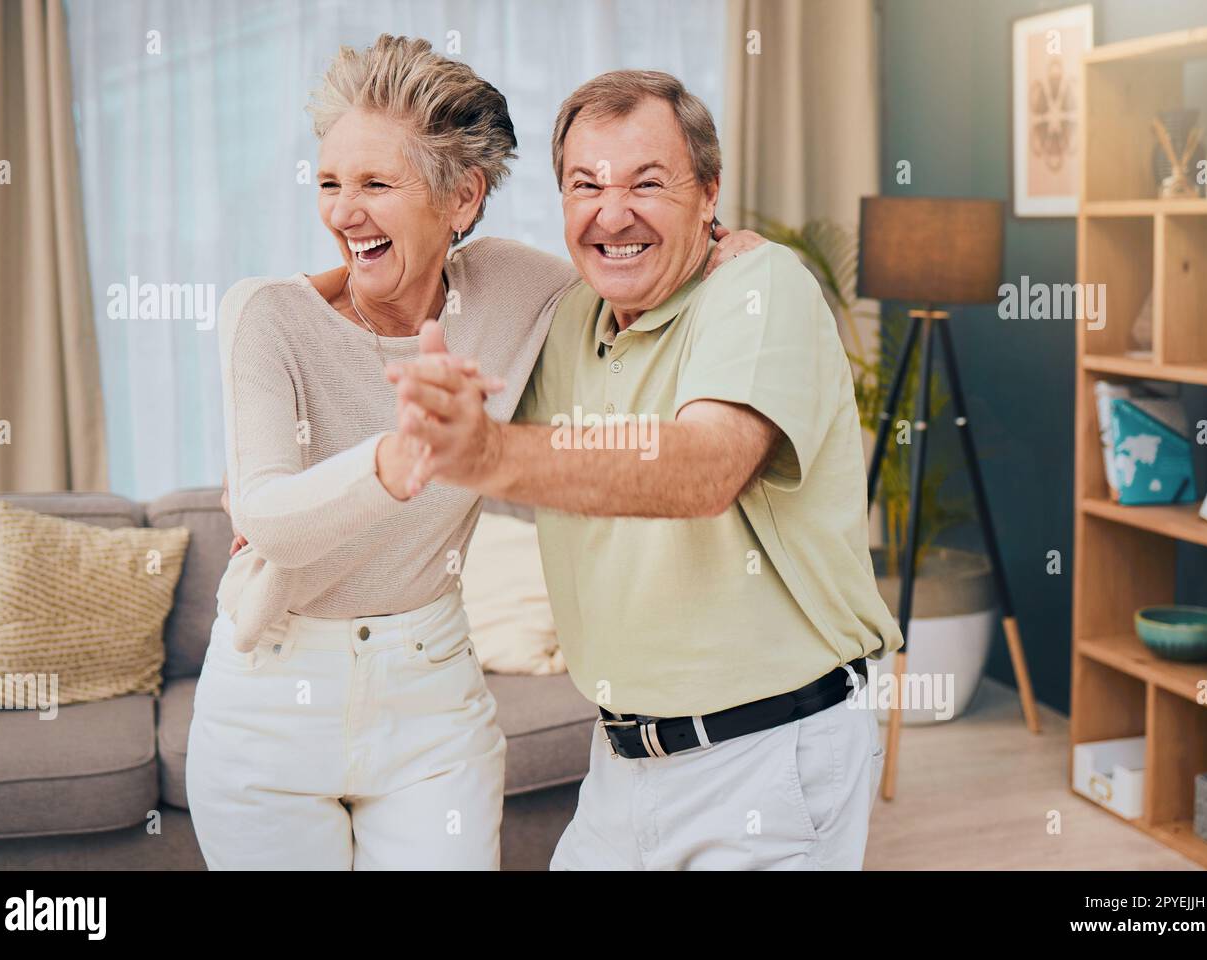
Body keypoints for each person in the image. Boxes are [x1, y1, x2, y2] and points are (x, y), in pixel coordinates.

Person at [186, 37, 758, 870]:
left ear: (462, 199)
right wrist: (395, 460)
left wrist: (730, 251)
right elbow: (269, 518)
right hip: (271, 696)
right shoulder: (266, 317)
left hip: (431, 696)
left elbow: (634, 261)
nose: (345, 212)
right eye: (332, 184)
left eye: (377, 184)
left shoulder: (513, 289)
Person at [388, 70, 905, 870]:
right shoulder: (563, 322)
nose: (612, 212)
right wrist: (277, 479)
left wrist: (490, 454)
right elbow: (397, 282)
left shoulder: (760, 289)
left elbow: (705, 468)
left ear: (710, 194)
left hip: (766, 759)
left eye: (648, 183)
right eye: (585, 185)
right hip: (622, 764)